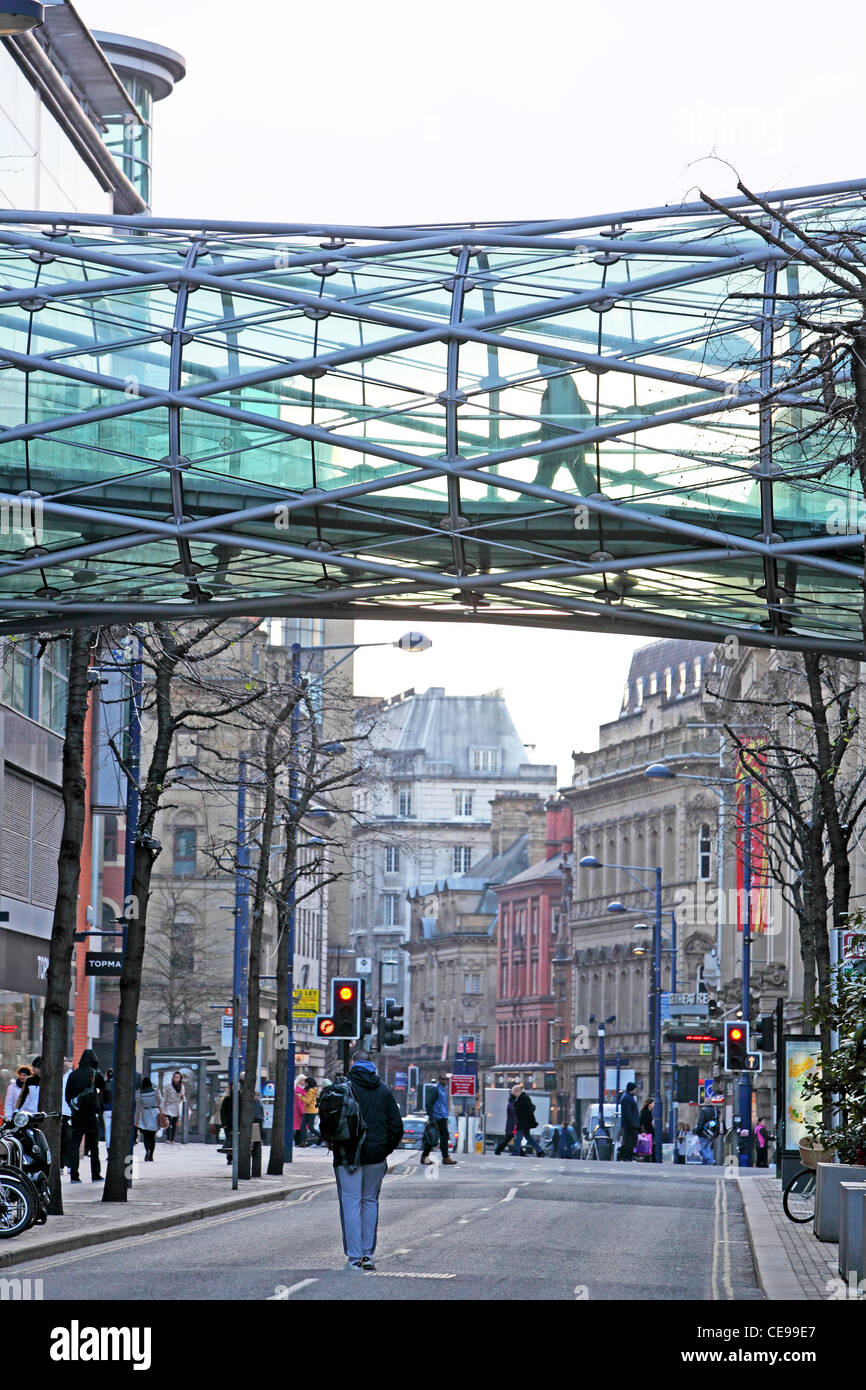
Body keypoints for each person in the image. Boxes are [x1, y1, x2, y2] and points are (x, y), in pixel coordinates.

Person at [330, 1049, 404, 1271]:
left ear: (352, 1064)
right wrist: (383, 1150)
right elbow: (397, 1127)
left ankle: (354, 1258)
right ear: (372, 1065)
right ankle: (367, 1255)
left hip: (347, 1156)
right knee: (370, 1201)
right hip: (375, 1156)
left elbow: (327, 1125)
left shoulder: (343, 1089)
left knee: (350, 1203)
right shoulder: (384, 1091)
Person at [66, 1048, 105, 1183]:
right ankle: (95, 1174)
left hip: (77, 1116)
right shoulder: (95, 1074)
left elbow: (67, 1096)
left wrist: (75, 1108)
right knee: (94, 1146)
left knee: (75, 1145)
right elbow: (103, 1087)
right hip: (91, 1115)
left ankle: (74, 1175)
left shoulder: (73, 1075)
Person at [420, 1073, 457, 1166]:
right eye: (444, 1079)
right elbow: (428, 1103)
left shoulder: (443, 1090)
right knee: (433, 1137)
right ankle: (444, 1157)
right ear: (440, 1080)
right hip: (437, 1117)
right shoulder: (435, 1089)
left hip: (443, 1117)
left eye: (447, 1079)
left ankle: (438, 1157)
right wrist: (431, 1116)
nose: (446, 1081)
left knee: (442, 1137)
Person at [134, 1078, 163, 1162]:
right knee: (152, 1136)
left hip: (145, 1115)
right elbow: (161, 1101)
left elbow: (137, 1108)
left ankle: (147, 1150)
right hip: (154, 1113)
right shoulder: (155, 1092)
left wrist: (136, 1120)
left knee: (146, 1136)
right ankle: (151, 1155)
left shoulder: (141, 1094)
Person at [513, 1085, 543, 1157]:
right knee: (528, 1137)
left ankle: (516, 1152)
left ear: (517, 1091)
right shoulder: (524, 1097)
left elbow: (518, 1108)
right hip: (525, 1121)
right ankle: (540, 1150)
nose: (514, 1095)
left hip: (523, 1121)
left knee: (518, 1137)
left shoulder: (523, 1098)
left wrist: (515, 1106)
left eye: (514, 1094)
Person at [494, 1086, 520, 1155]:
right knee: (510, 1139)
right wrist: (516, 1124)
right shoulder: (513, 1104)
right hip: (512, 1125)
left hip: (510, 1125)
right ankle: (497, 1151)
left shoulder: (510, 1103)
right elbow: (514, 1115)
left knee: (509, 1139)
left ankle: (498, 1151)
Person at [162, 1071, 186, 1143]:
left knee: (174, 1124)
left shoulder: (182, 1087)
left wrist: (182, 1098)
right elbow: (164, 1097)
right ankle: (168, 1138)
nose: (176, 1079)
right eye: (175, 1077)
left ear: (180, 1078)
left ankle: (172, 1139)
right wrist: (163, 1107)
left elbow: (183, 1097)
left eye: (177, 1077)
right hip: (168, 1106)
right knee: (168, 1123)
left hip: (176, 1106)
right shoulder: (168, 1086)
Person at [618, 1082, 640, 1161]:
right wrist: (633, 1123)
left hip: (630, 1125)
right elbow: (628, 1113)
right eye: (635, 1089)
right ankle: (626, 1156)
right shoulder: (627, 1098)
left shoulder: (628, 1097)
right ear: (633, 1089)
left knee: (631, 1141)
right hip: (629, 1125)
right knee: (629, 1142)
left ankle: (627, 1156)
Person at [301, 1077, 319, 1146]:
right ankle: (303, 1141)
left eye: (305, 1082)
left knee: (310, 1128)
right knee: (304, 1127)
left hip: (310, 1111)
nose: (304, 1084)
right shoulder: (311, 1090)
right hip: (310, 1111)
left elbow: (308, 1101)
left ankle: (323, 1137)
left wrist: (300, 1097)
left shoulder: (310, 1091)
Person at [293, 1076, 307, 1145]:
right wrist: (303, 1112)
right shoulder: (297, 1090)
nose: (303, 1082)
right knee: (300, 1128)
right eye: (302, 1080)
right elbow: (298, 1102)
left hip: (304, 1110)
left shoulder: (305, 1090)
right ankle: (299, 1142)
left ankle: (301, 1142)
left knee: (301, 1128)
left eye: (304, 1080)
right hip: (300, 1111)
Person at [102, 1068, 114, 1147]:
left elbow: (101, 1098)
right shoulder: (117, 1085)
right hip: (115, 1109)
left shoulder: (104, 1085)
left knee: (107, 1131)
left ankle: (108, 1147)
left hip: (106, 1110)